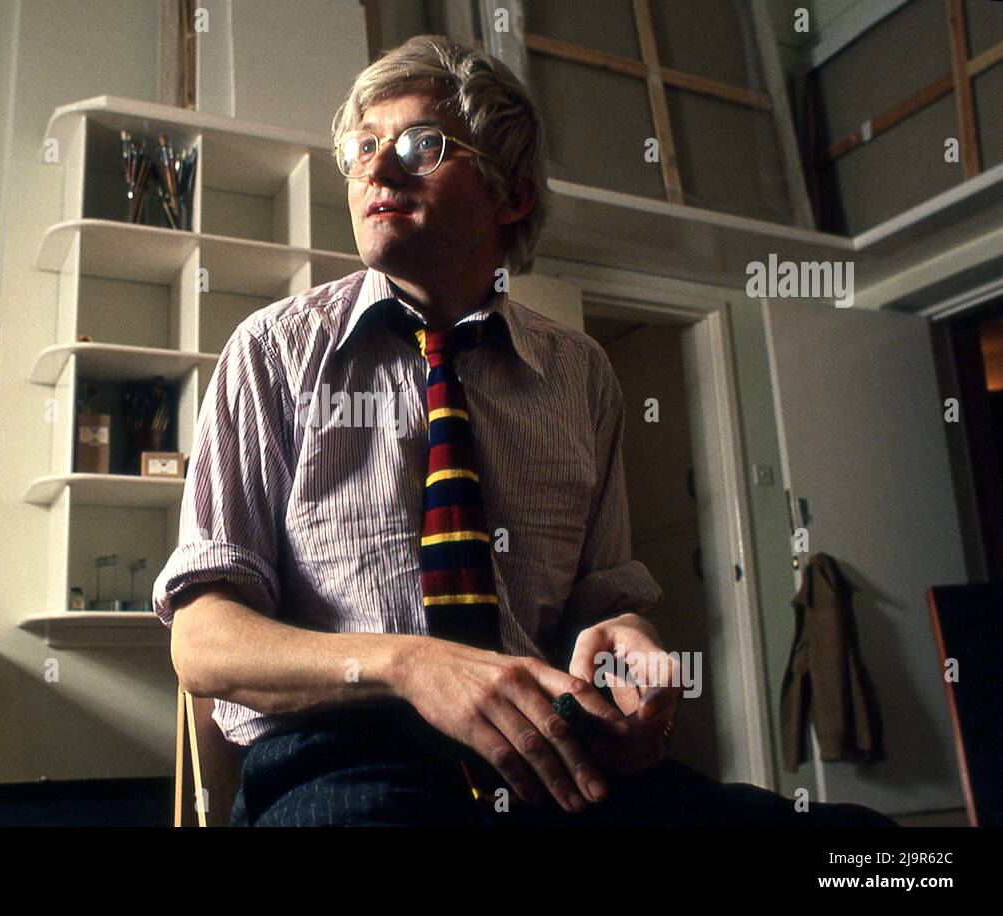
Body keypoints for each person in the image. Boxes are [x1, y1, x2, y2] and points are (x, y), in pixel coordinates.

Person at [152, 34, 896, 828]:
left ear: (512, 196)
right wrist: (412, 667)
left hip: (551, 760)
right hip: (347, 759)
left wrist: (625, 638)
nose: (376, 168)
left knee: (881, 856)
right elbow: (201, 644)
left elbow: (603, 598)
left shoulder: (580, 375)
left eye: (420, 144)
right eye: (362, 147)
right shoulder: (271, 353)